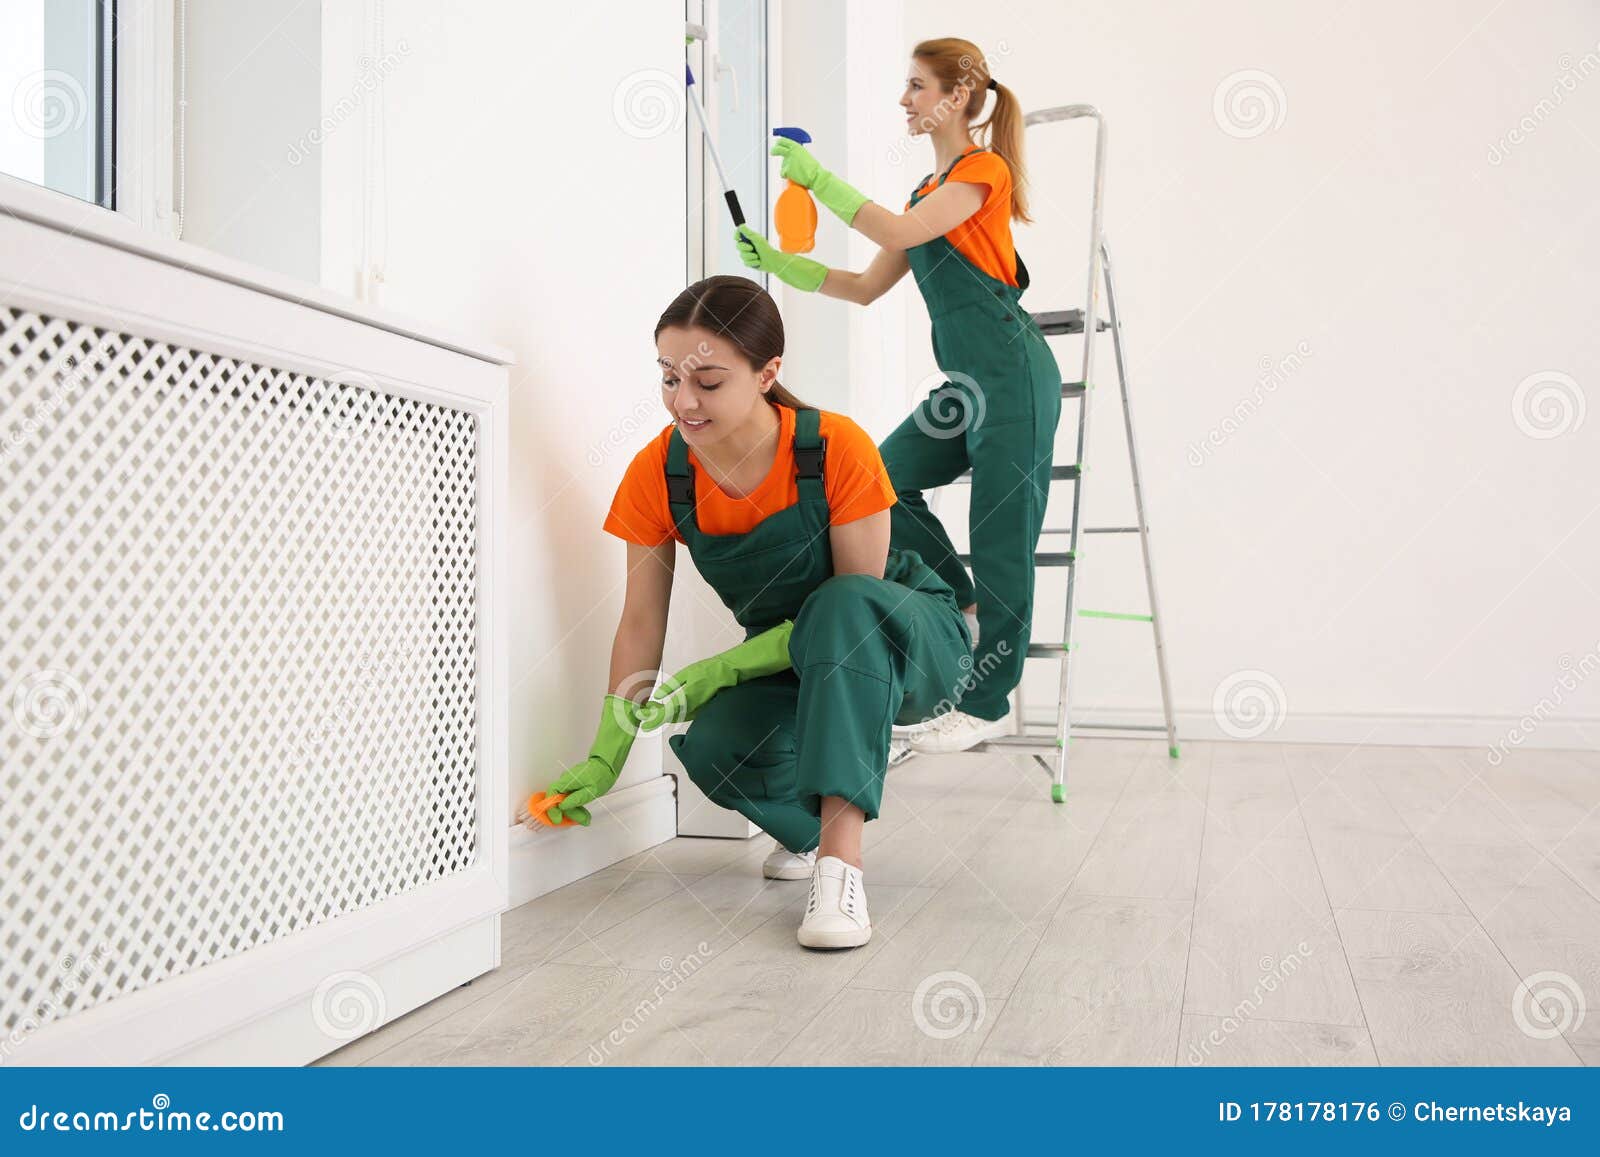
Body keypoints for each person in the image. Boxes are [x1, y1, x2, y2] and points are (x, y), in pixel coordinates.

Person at [518, 275, 973, 950]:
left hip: (907, 638)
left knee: (842, 610)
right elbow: (640, 622)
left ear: (767, 374)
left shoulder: (834, 449)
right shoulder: (661, 473)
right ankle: (815, 834)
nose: (683, 400)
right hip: (793, 661)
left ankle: (841, 871)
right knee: (716, 744)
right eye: (669, 376)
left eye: (708, 380)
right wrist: (606, 756)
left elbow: (854, 605)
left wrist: (722, 668)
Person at [735, 37, 1062, 754]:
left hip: (1014, 377)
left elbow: (901, 231)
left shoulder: (982, 172)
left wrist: (820, 181)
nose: (905, 101)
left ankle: (988, 700)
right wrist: (787, 264)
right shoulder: (924, 193)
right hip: (966, 387)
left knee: (1002, 538)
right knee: (882, 482)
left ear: (955, 98)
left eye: (917, 86)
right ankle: (965, 603)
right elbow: (865, 286)